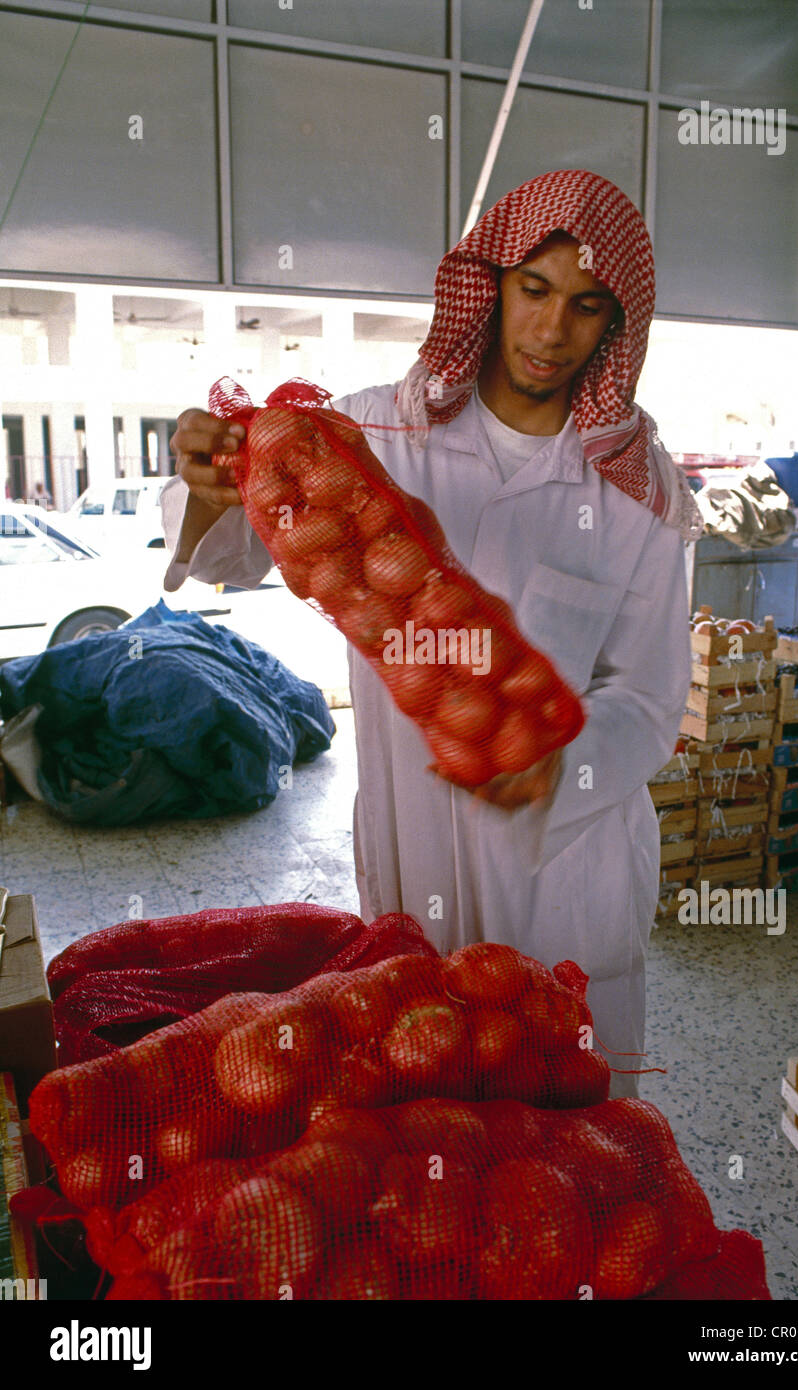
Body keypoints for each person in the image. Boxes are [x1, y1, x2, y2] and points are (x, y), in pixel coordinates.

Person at [162, 170, 701, 1097]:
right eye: (533, 289)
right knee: (431, 1137)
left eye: (585, 305)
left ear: (615, 323)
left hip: (563, 871)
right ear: (487, 283)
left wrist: (556, 763)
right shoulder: (374, 431)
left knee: (580, 1156)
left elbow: (650, 697)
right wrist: (211, 485)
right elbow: (228, 559)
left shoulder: (637, 490)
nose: (550, 329)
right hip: (414, 857)